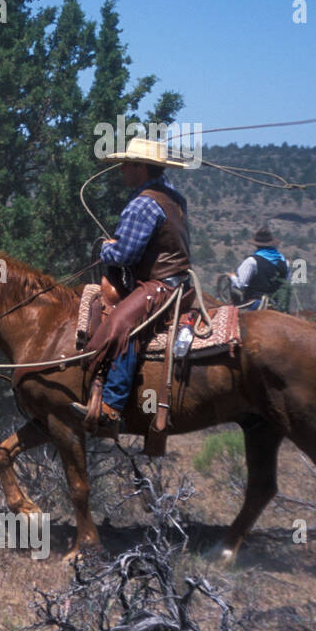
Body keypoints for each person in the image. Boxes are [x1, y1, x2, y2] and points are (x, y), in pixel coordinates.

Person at [72, 137, 195, 435]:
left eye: (126, 163)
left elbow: (126, 255)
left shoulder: (142, 204)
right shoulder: (174, 196)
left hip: (159, 285)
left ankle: (111, 406)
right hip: (179, 281)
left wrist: (106, 248)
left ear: (140, 167)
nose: (122, 169)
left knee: (119, 325)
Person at [228, 228, 288, 310]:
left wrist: (232, 277)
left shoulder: (252, 261)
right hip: (276, 304)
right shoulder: (284, 261)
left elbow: (240, 285)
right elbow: (286, 283)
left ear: (256, 245)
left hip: (254, 303)